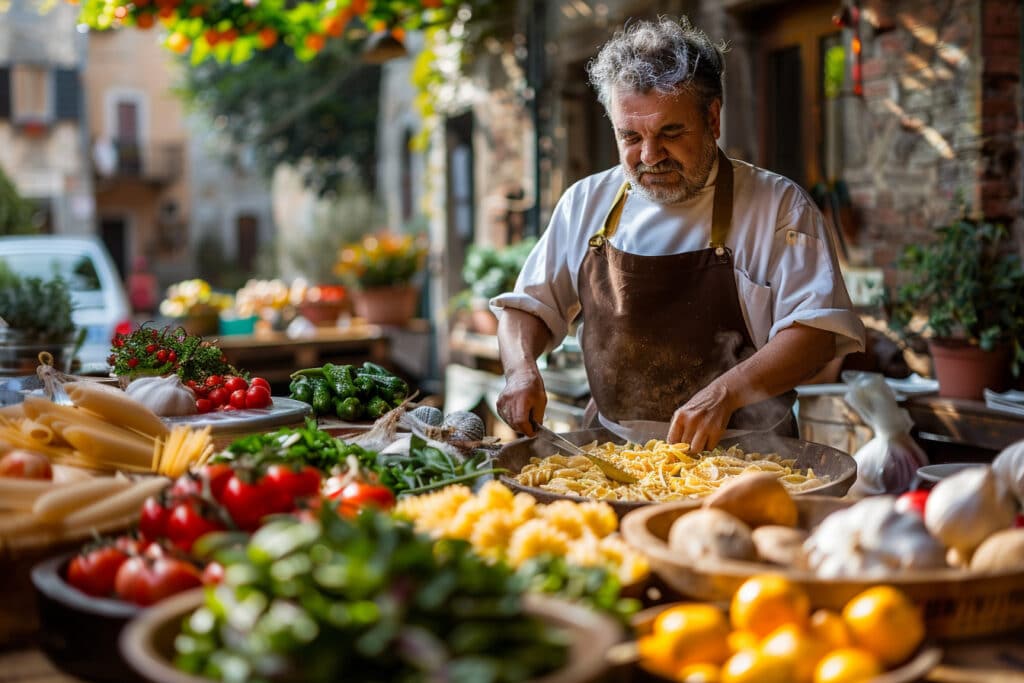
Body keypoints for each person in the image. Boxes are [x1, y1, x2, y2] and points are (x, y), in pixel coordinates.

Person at [492, 16, 865, 453]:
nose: (650, 156)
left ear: (712, 118)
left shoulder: (778, 206)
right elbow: (529, 308)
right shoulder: (585, 202)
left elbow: (815, 333)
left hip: (748, 457)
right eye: (630, 136)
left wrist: (725, 394)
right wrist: (520, 370)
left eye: (670, 132)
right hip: (611, 455)